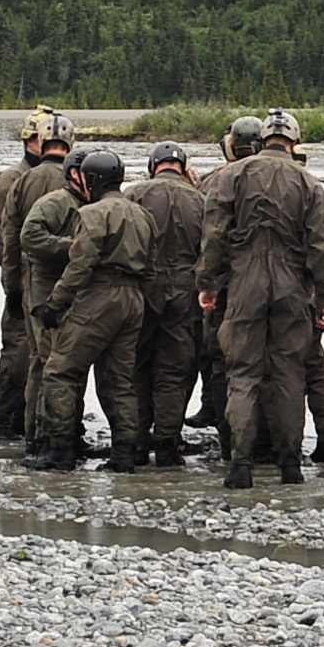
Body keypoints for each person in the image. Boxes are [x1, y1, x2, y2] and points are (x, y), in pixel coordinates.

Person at [195, 112, 319, 488]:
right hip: (291, 284)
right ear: (294, 143)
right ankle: (290, 465)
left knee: (242, 373)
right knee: (289, 375)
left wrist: (208, 282)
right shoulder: (309, 182)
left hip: (244, 280)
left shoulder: (231, 176)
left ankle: (241, 464)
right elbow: (321, 243)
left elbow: (214, 234)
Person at [35, 148, 156, 471]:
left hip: (99, 296)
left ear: (90, 180)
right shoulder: (142, 215)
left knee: (59, 371)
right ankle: (124, 455)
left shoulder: (91, 214)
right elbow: (151, 266)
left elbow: (80, 265)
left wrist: (55, 304)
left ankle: (60, 451)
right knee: (119, 380)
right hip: (134, 300)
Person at [267, 108, 324, 465]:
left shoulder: (243, 177)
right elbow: (322, 247)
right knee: (312, 369)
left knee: (261, 369)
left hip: (260, 290)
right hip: (302, 290)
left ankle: (261, 446)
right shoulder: (312, 187)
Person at [127, 140, 206, 467]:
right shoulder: (201, 200)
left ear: (152, 165)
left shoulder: (133, 195)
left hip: (143, 290)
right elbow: (212, 250)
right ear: (184, 168)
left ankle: (136, 439)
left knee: (137, 367)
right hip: (186, 293)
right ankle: (168, 443)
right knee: (175, 371)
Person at [192, 115, 265, 448]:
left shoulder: (214, 181)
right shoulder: (287, 177)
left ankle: (228, 434)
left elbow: (206, 234)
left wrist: (205, 280)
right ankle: (270, 439)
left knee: (222, 357)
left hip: (227, 284)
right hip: (278, 284)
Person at [0, 108, 54, 440]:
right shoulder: (11, 179)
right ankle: (4, 419)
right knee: (18, 353)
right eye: (40, 138)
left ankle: (43, 419)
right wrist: (16, 273)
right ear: (29, 140)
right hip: (23, 281)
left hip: (54, 285)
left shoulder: (64, 176)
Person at [17, 126, 85, 462]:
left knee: (62, 364)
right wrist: (70, 249)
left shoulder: (82, 202)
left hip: (63, 289)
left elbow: (2, 229)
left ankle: (64, 431)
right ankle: (39, 438)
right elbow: (27, 235)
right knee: (47, 365)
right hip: (45, 289)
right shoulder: (57, 199)